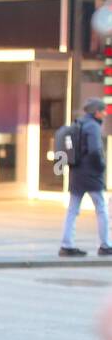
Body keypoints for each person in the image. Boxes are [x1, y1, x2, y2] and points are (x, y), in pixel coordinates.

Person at [59, 97, 112, 257]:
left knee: (72, 210)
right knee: (101, 209)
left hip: (76, 172)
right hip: (91, 174)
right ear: (96, 112)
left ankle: (66, 245)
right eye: (103, 110)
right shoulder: (93, 127)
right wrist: (101, 167)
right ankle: (105, 245)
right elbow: (95, 150)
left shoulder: (78, 123)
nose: (105, 113)